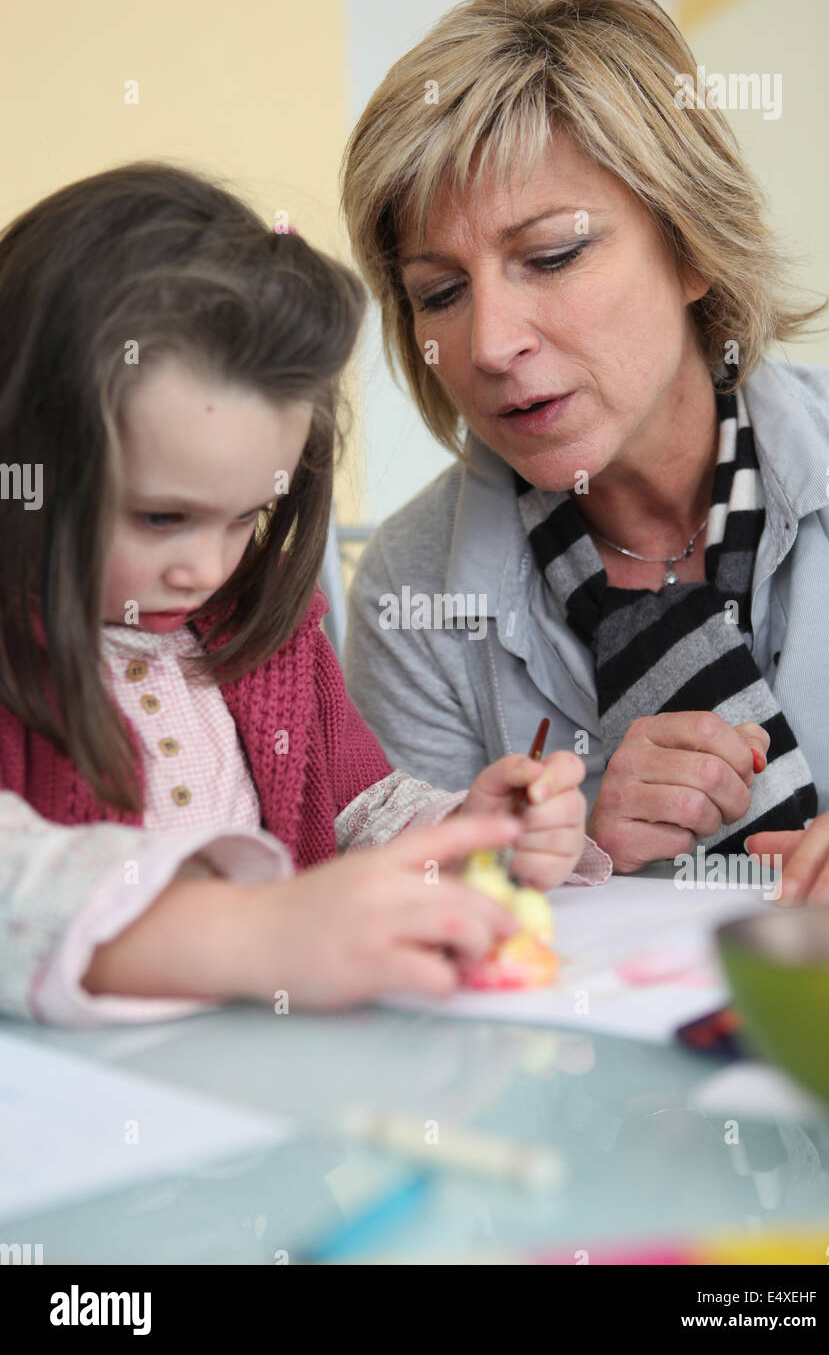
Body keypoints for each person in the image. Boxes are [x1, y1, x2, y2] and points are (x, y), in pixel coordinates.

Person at [0, 162, 608, 1027]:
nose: (206, 568)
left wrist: (469, 838)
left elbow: (358, 812)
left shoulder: (261, 636)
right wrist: (251, 933)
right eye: (162, 516)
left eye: (245, 516)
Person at [341, 0, 829, 899]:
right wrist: (580, 855)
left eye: (552, 257)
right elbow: (418, 923)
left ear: (694, 243)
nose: (492, 344)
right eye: (441, 293)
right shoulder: (409, 591)